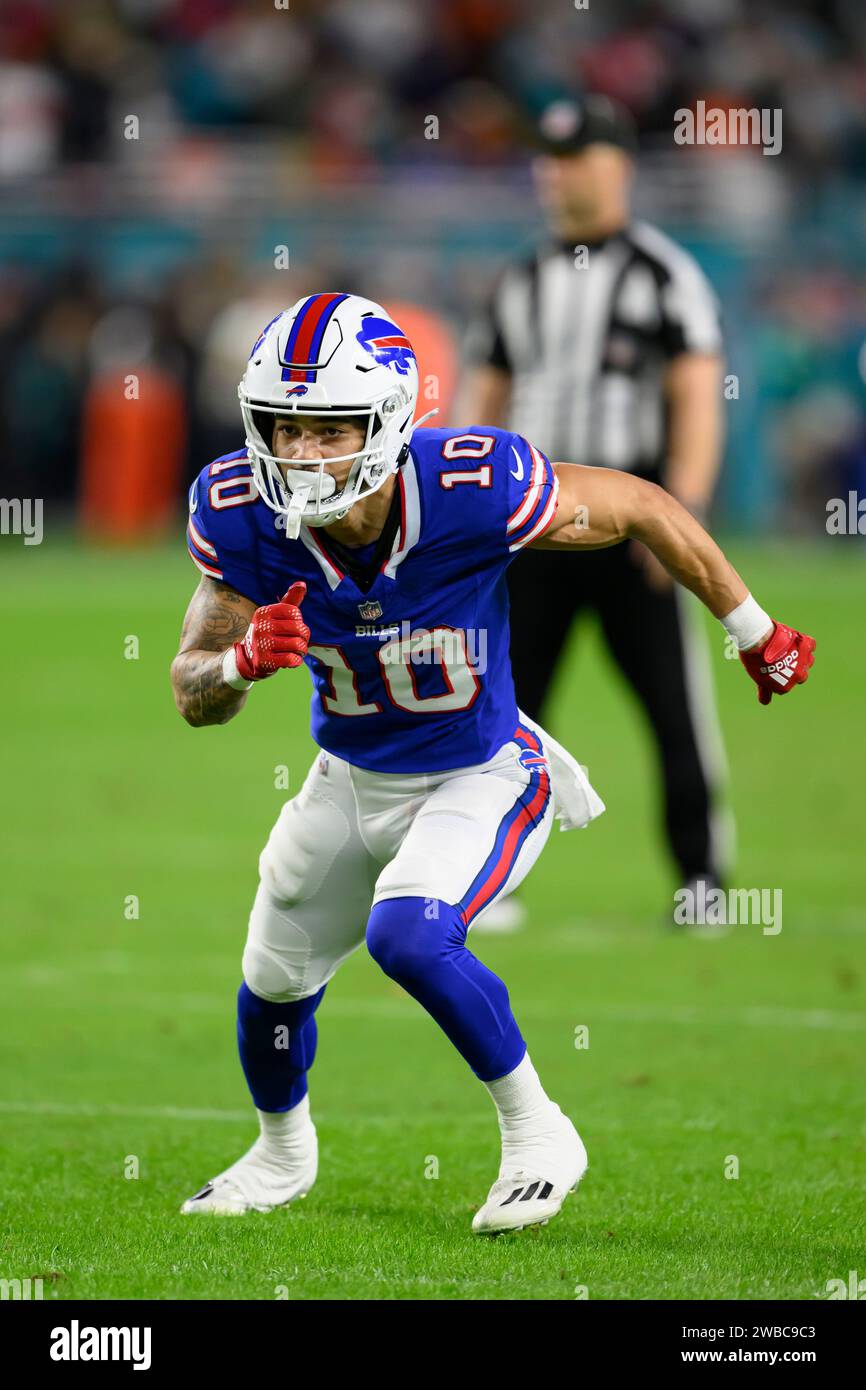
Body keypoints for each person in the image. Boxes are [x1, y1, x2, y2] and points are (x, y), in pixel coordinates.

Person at [170, 292, 814, 1234]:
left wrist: (751, 629)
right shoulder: (241, 517)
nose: (301, 453)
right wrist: (236, 662)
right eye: (284, 427)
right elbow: (192, 692)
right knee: (269, 983)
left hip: (482, 767)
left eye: (327, 429)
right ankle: (280, 1154)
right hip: (349, 776)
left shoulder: (472, 485)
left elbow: (638, 503)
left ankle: (538, 1131)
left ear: (386, 423)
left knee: (410, 935)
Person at [460, 96, 730, 930]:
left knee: (670, 700)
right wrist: (471, 516)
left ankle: (703, 879)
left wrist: (679, 510)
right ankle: (490, 876)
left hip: (630, 515)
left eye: (574, 157)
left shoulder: (663, 273)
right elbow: (486, 401)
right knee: (504, 705)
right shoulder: (519, 279)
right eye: (547, 158)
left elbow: (696, 393)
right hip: (534, 515)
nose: (557, 173)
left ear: (617, 166)